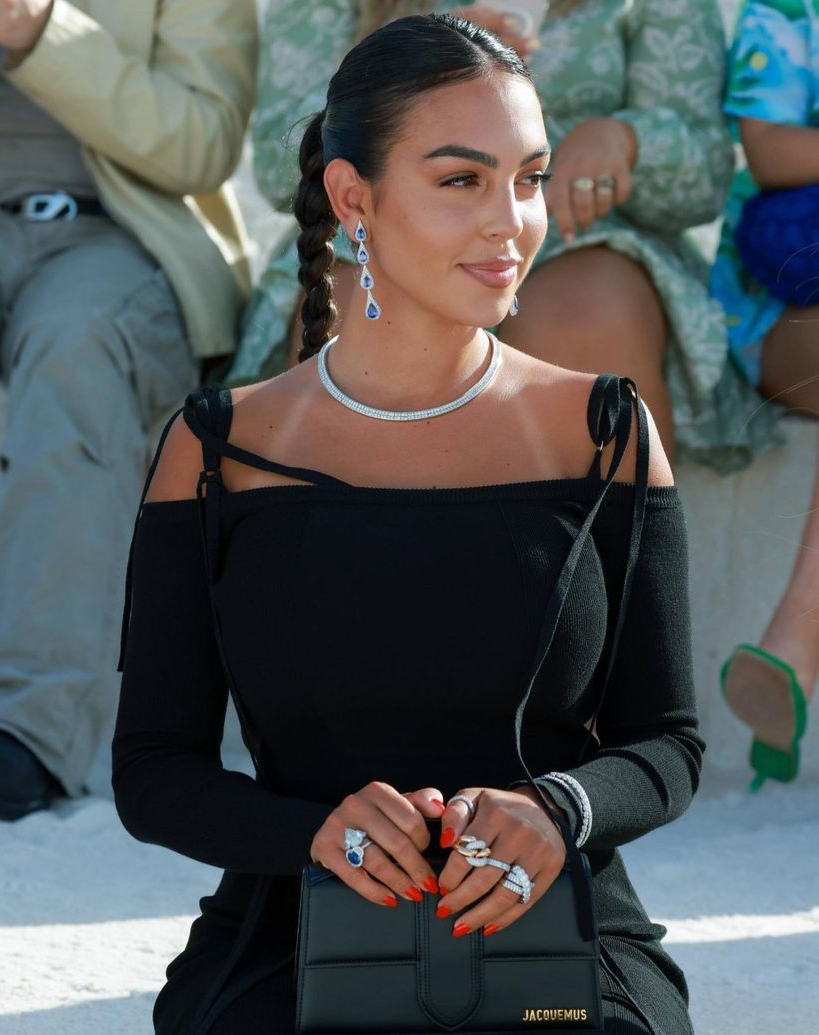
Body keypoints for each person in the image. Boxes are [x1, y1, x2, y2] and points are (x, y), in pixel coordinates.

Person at [114, 14, 703, 1033]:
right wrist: (313, 836)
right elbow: (155, 771)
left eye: (529, 178)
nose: (512, 222)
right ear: (354, 198)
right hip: (286, 941)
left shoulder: (604, 430)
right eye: (462, 179)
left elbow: (668, 742)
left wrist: (559, 808)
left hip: (563, 939)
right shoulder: (218, 450)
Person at [234, 0, 780, 473]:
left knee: (588, 316)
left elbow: (706, 176)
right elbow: (283, 166)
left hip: (585, 232)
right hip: (388, 222)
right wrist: (424, 69)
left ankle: (597, 558)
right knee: (359, 315)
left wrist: (628, 141)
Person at [0, 0, 256, 821]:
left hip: (117, 242)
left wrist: (38, 30)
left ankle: (30, 730)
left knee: (77, 347)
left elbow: (202, 142)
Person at [712, 0, 819, 790]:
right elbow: (771, 149)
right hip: (787, 310)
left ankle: (794, 646)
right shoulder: (788, 9)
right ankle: (796, 642)